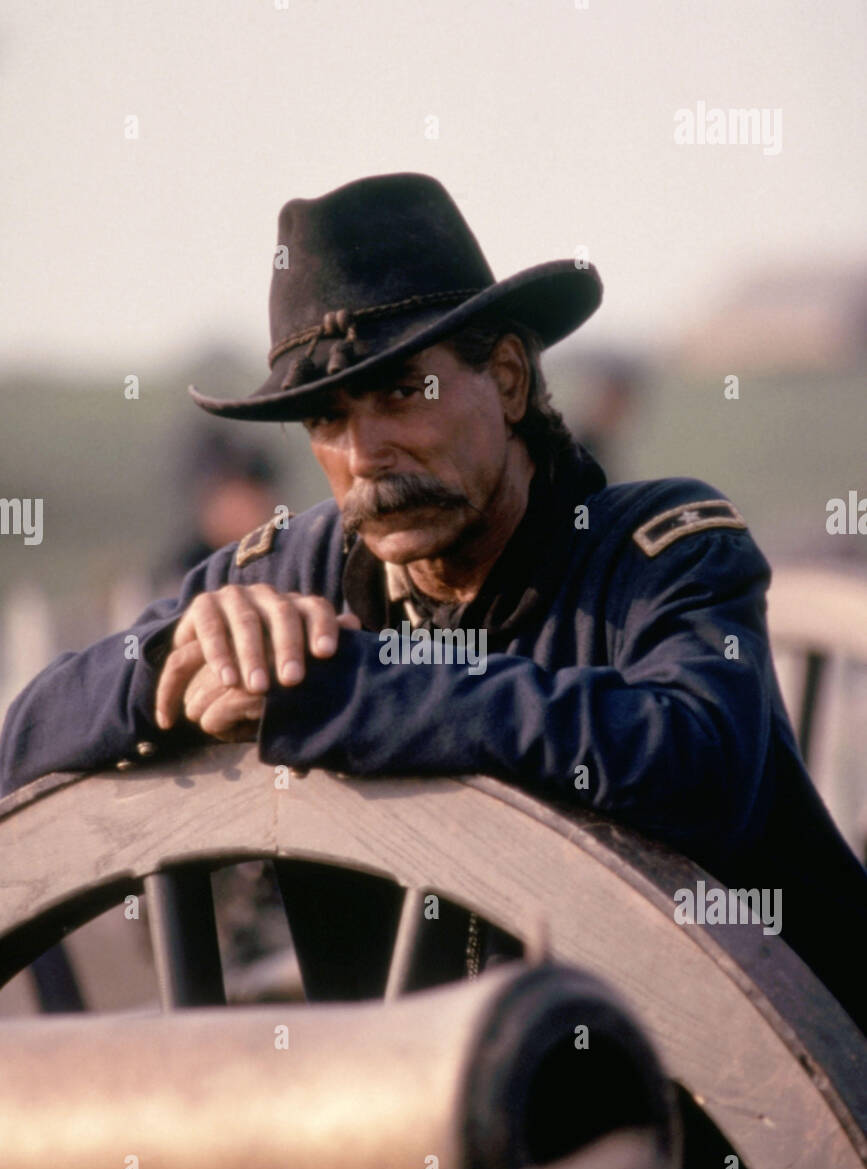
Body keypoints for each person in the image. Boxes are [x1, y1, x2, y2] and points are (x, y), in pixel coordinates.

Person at [1, 172, 865, 1025]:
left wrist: (354, 686)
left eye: (398, 393)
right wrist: (178, 662)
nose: (364, 451)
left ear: (509, 379)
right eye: (327, 420)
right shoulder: (281, 576)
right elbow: (28, 740)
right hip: (424, 1113)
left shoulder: (663, 549)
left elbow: (698, 764)